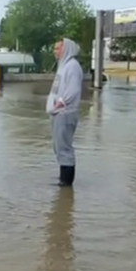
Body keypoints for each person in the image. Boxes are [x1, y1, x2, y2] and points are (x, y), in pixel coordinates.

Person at [46, 37, 83, 186]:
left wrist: (61, 103)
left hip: (65, 113)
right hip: (59, 113)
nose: (55, 51)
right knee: (59, 146)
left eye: (57, 48)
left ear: (66, 49)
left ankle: (66, 183)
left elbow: (73, 90)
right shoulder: (63, 66)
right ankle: (63, 178)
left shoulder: (72, 67)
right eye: (54, 48)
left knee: (64, 148)